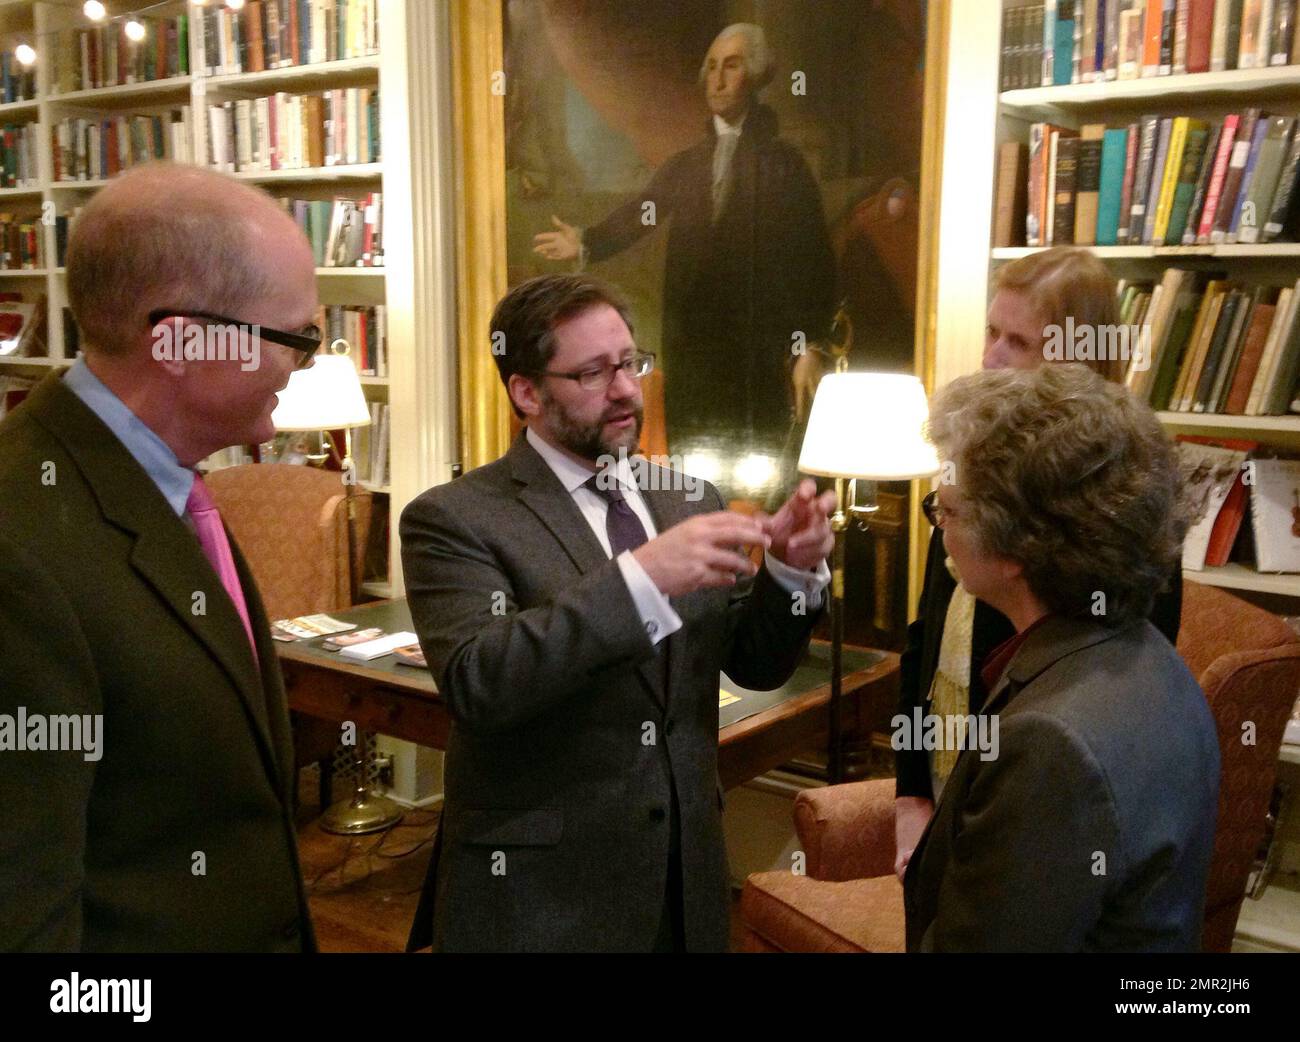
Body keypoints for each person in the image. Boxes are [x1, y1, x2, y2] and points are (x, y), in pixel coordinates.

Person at [401, 273, 835, 952]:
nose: (627, 388)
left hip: (683, 877)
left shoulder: (690, 497)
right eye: (593, 372)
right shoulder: (455, 518)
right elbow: (480, 683)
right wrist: (642, 578)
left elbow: (756, 665)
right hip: (541, 895)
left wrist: (792, 569)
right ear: (527, 391)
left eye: (630, 362)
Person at [0, 163, 321, 951]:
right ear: (178, 340)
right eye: (295, 338)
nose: (303, 363)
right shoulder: (21, 545)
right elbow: (26, 908)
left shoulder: (167, 484)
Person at [905, 364, 1219, 951]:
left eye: (948, 511)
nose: (941, 529)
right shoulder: (1149, 659)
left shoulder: (1050, 744)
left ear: (1018, 545)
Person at [894, 246, 1184, 875]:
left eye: (1018, 342)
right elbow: (924, 641)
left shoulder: (1126, 508)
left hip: (1040, 814)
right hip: (950, 792)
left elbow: (1118, 700)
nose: (991, 356)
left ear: (1077, 363)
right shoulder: (961, 472)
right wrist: (910, 798)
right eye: (991, 333)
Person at [533, 22, 836, 502]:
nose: (717, 79)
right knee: (696, 483)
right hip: (696, 347)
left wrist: (809, 345)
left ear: (755, 77)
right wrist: (587, 241)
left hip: (760, 352)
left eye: (731, 66)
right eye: (711, 67)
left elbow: (813, 261)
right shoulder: (689, 163)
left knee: (766, 482)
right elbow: (643, 213)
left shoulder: (785, 166)